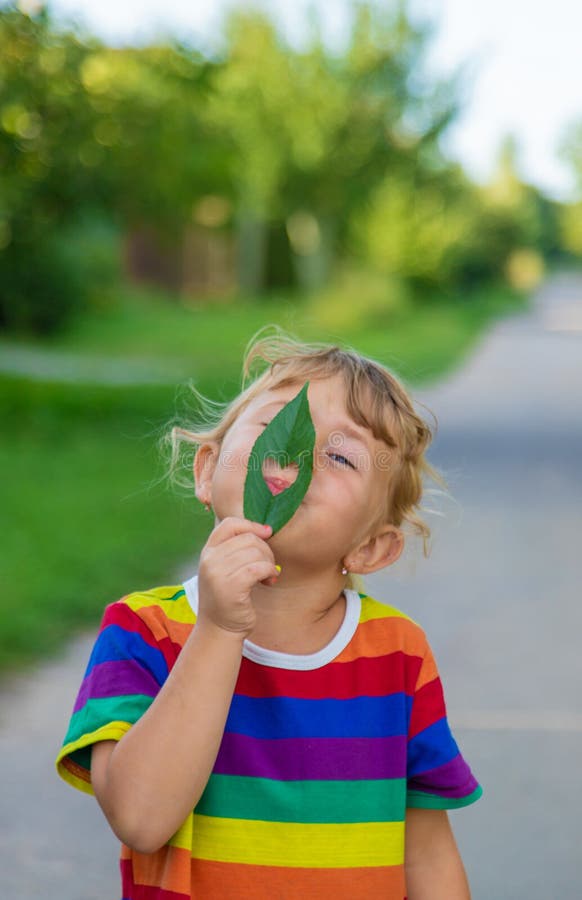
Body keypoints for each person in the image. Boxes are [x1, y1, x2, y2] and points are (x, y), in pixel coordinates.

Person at [56, 327, 483, 900]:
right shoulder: (143, 633)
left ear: (370, 548)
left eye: (338, 454)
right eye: (278, 425)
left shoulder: (397, 653)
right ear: (207, 471)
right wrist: (217, 629)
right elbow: (140, 819)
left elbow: (427, 850)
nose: (296, 453)